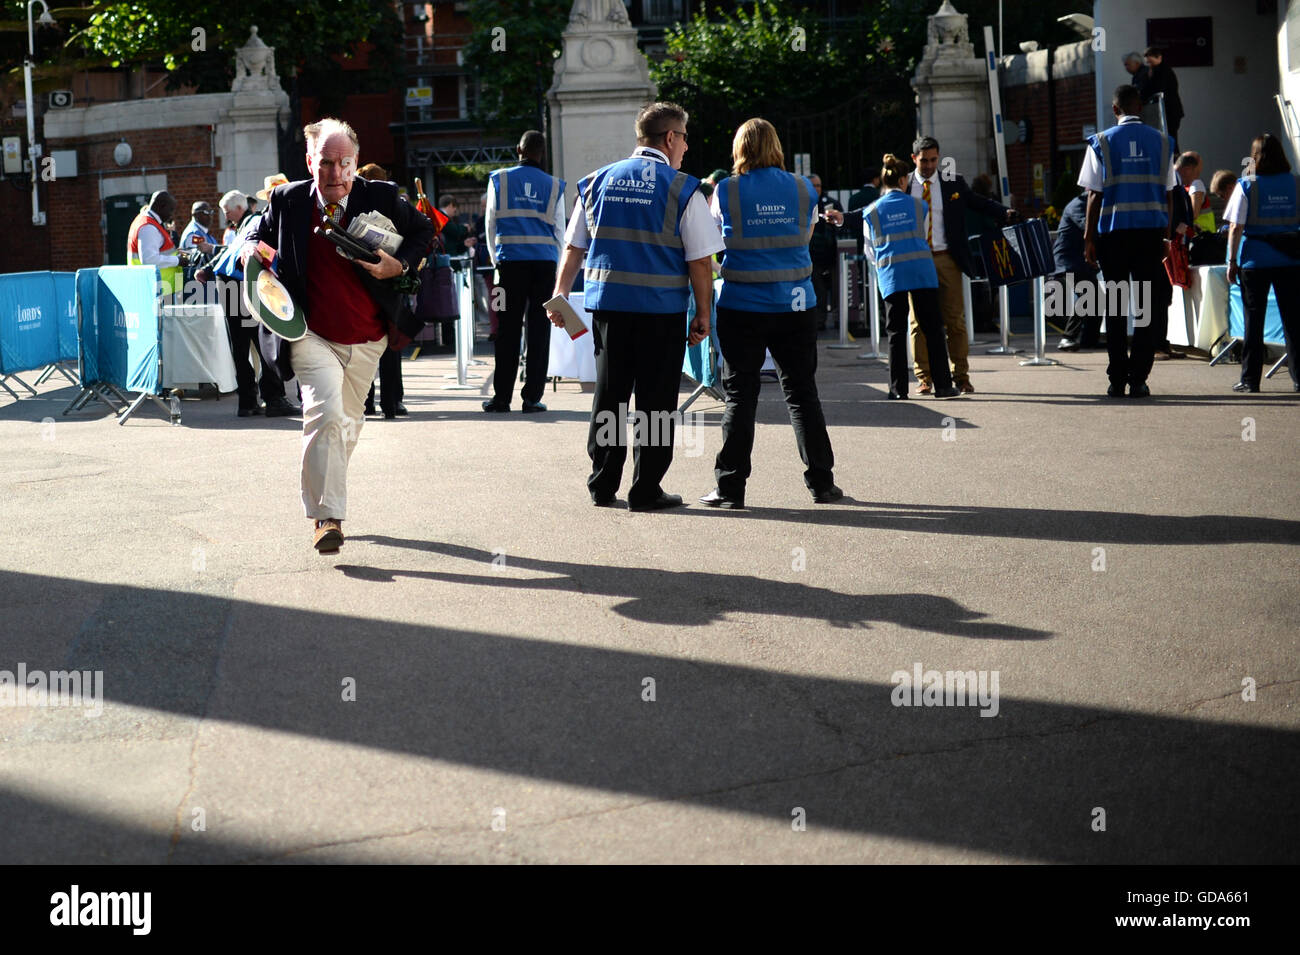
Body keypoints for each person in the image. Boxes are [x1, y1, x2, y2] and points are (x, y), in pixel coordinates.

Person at [249, 117, 434, 553]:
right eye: (325, 163)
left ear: (355, 163)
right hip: (311, 334)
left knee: (347, 425)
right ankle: (326, 517)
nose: (335, 173)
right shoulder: (287, 200)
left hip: (369, 337)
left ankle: (327, 488)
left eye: (344, 163)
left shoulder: (383, 196)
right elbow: (259, 236)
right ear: (309, 161)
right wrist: (251, 254)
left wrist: (400, 265)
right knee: (325, 415)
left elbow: (424, 231)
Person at [548, 101, 723, 511]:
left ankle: (603, 483)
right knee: (656, 400)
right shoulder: (683, 188)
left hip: (610, 309)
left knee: (610, 395)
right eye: (683, 138)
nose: (685, 148)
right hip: (660, 312)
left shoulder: (597, 181)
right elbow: (700, 261)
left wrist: (560, 296)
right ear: (669, 138)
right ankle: (645, 489)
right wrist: (703, 314)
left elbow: (574, 248)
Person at [697, 118, 841, 510]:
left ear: (740, 149)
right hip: (795, 304)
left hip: (742, 304)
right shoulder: (803, 189)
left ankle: (730, 488)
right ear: (776, 146)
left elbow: (708, 245)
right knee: (801, 392)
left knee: (741, 396)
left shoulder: (724, 190)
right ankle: (822, 483)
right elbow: (805, 239)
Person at [827, 156, 961, 401]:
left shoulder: (871, 211)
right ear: (902, 180)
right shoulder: (920, 205)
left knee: (896, 332)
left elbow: (869, 250)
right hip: (922, 272)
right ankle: (943, 386)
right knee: (932, 329)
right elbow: (925, 235)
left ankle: (898, 389)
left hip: (892, 274)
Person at [1081, 84, 1179, 398]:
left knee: (1115, 307)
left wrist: (1088, 238)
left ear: (1115, 109)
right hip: (1150, 235)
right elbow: (1169, 194)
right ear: (1142, 107)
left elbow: (1094, 195)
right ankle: (1139, 378)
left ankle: (1116, 379)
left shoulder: (1101, 142)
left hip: (1113, 234)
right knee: (1146, 307)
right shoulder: (1163, 142)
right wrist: (1166, 236)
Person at [905, 135, 1019, 394]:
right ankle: (924, 377)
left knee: (955, 320)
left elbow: (976, 202)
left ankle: (961, 376)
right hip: (916, 259)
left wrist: (1003, 212)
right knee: (917, 322)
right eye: (924, 161)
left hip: (947, 257)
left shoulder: (952, 182)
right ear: (914, 159)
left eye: (934, 159)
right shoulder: (905, 184)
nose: (930, 165)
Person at [483, 129, 565, 414]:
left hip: (508, 268)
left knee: (506, 330)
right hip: (544, 267)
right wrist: (558, 270)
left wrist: (497, 262)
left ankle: (501, 398)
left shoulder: (500, 179)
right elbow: (560, 233)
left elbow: (490, 224)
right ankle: (532, 398)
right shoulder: (555, 185)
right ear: (542, 153)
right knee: (539, 331)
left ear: (519, 150)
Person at [207, 191, 294, 419]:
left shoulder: (250, 223)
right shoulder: (260, 221)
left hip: (226, 281)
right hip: (239, 281)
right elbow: (266, 255)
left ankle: (247, 402)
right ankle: (274, 399)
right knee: (264, 339)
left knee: (241, 344)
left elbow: (231, 250)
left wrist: (207, 269)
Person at [1224, 133, 1300, 393]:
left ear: (1254, 156)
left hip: (1255, 260)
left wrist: (1231, 261)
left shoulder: (1247, 184)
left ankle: (1250, 380)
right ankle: (1299, 378)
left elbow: (1235, 227)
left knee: (1253, 321)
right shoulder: (1295, 183)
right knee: (1293, 321)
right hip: (1291, 259)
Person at [355, 162, 407, 420]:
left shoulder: (355, 205)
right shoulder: (396, 204)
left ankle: (366, 401)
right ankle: (393, 401)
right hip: (391, 281)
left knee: (364, 345)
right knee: (391, 345)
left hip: (363, 283)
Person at [1053, 190, 1102, 351]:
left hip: (1078, 261)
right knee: (1088, 294)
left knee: (1096, 297)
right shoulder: (1077, 205)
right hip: (1067, 262)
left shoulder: (1084, 204)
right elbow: (1087, 226)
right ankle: (1068, 337)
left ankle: (1089, 339)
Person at [127, 190, 189, 297]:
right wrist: (178, 260)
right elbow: (149, 260)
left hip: (160, 289)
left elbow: (159, 252)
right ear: (161, 206)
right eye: (171, 210)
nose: (171, 215)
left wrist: (175, 254)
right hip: (156, 291)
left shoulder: (149, 222)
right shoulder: (148, 226)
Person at [807, 173, 843, 330]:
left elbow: (841, 227)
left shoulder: (832, 204)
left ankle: (838, 320)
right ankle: (819, 321)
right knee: (818, 291)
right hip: (813, 256)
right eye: (813, 185)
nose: (816, 189)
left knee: (836, 290)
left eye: (818, 185)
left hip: (832, 254)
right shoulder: (803, 204)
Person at [1142, 47, 1184, 147]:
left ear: (1159, 58)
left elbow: (1158, 88)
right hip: (1163, 111)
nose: (1149, 65)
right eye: (1148, 62)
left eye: (1151, 61)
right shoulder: (1153, 71)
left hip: (1169, 111)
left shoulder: (1164, 71)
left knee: (1171, 138)